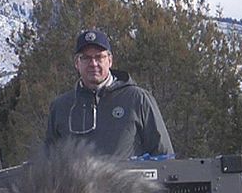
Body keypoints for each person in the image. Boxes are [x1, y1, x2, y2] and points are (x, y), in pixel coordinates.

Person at [45, 29, 174, 158]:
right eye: (86, 58)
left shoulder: (138, 99)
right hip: (76, 179)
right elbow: (48, 161)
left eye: (99, 57)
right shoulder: (60, 107)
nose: (93, 64)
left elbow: (164, 156)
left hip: (126, 178)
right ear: (77, 64)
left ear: (110, 60)